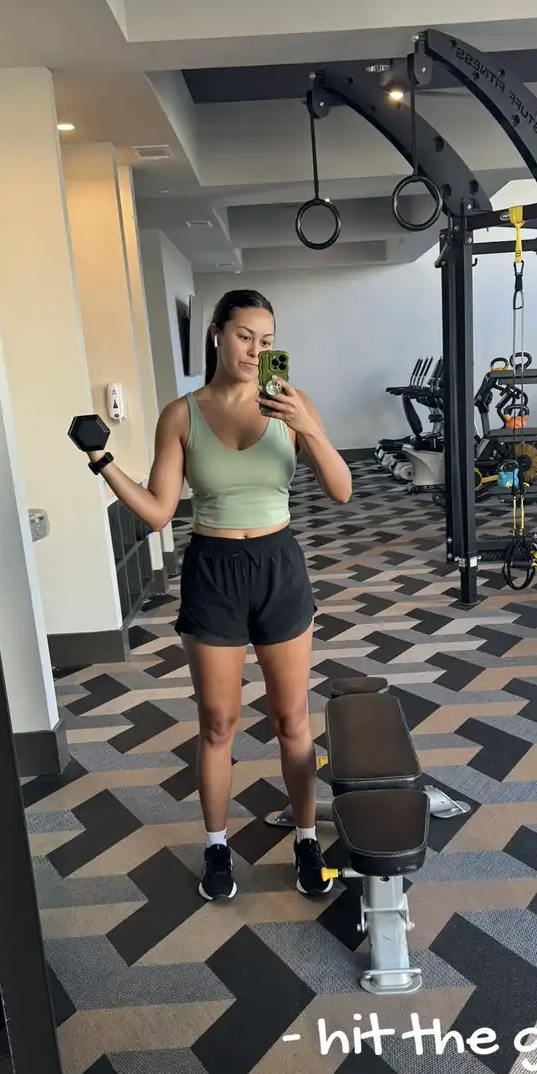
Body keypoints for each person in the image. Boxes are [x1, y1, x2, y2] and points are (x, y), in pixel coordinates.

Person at [78, 289, 353, 902]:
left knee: (292, 721)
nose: (257, 350)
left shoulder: (291, 404)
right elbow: (155, 512)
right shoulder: (181, 415)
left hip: (279, 565)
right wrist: (101, 460)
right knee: (218, 724)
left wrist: (308, 427)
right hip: (214, 570)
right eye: (244, 336)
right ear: (216, 336)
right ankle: (217, 847)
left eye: (267, 339)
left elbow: (341, 490)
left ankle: (306, 838)